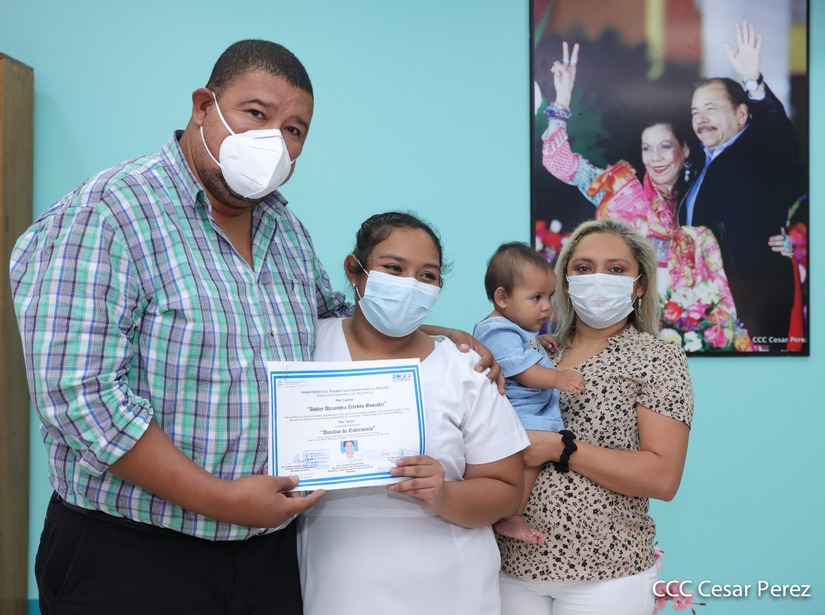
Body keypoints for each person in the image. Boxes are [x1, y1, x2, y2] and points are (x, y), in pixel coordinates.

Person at [10, 40, 498, 615]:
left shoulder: (283, 228)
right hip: (133, 557)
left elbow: (331, 321)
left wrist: (435, 332)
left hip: (267, 555)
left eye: (295, 130)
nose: (275, 142)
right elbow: (79, 399)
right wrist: (221, 500)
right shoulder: (107, 214)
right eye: (257, 114)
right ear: (202, 106)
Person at [298, 212, 530, 615]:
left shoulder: (465, 369)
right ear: (355, 271)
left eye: (427, 275)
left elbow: (506, 490)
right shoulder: (306, 349)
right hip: (333, 589)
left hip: (451, 593)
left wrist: (443, 494)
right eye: (393, 268)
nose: (410, 285)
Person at [497, 218, 694, 615]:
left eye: (616, 270)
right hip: (508, 566)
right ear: (565, 282)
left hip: (608, 572)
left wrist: (558, 447)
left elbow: (662, 478)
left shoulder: (659, 358)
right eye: (583, 269)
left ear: (638, 285)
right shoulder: (530, 352)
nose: (598, 279)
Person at [542, 42, 749, 351]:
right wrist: (562, 99)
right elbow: (559, 162)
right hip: (630, 331)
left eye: (665, 146)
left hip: (698, 327)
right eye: (647, 148)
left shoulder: (705, 194)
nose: (656, 158)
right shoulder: (624, 190)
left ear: (685, 149)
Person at [680, 21, 803, 351]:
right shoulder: (696, 162)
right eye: (695, 111)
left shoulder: (758, 152)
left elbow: (779, 135)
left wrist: (753, 81)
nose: (700, 118)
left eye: (711, 108)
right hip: (703, 299)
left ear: (742, 113)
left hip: (753, 297)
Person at [473, 242, 585, 544]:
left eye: (548, 297)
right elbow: (524, 373)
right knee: (525, 466)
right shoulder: (496, 330)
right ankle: (509, 515)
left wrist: (540, 341)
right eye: (536, 297)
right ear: (502, 297)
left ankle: (512, 514)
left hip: (530, 418)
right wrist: (557, 378)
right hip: (518, 417)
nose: (547, 306)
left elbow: (522, 352)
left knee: (531, 466)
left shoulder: (516, 330)